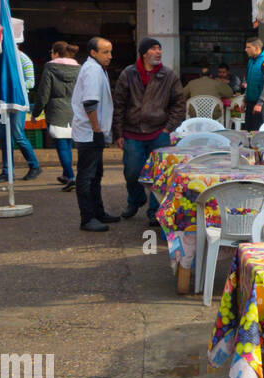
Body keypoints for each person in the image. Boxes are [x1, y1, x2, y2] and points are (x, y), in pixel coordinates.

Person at [112, 37, 187, 222]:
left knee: (159, 175)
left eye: (160, 48)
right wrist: (118, 133)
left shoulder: (168, 75)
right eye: (154, 49)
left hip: (158, 132)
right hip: (132, 132)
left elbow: (179, 104)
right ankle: (136, 199)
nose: (159, 52)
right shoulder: (128, 74)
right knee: (131, 172)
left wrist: (168, 128)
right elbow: (119, 105)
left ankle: (154, 210)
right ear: (144, 53)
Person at [71, 37, 118, 232]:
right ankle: (87, 218)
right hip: (90, 132)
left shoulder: (97, 69)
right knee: (87, 176)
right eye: (105, 52)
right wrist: (97, 130)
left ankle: (98, 212)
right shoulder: (92, 70)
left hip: (93, 132)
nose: (110, 56)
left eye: (110, 52)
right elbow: (90, 102)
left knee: (96, 175)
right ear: (93, 52)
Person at [0, 40, 42, 183]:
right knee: (3, 136)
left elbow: (30, 83)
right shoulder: (1, 60)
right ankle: (7, 171)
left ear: (15, 45)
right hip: (3, 102)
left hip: (18, 102)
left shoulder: (25, 60)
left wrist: (9, 86)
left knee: (17, 134)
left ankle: (34, 166)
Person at [32, 40, 81, 190]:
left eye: (52, 52)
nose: (51, 55)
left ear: (56, 53)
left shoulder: (50, 67)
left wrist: (36, 112)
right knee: (68, 144)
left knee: (61, 145)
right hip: (74, 111)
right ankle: (66, 175)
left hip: (56, 111)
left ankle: (71, 177)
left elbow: (44, 92)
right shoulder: (79, 68)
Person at [242, 38, 264, 132]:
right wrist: (244, 99)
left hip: (260, 104)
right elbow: (249, 82)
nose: (246, 49)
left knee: (259, 132)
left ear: (256, 48)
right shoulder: (251, 61)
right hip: (250, 102)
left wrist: (260, 103)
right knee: (248, 130)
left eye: (248, 47)